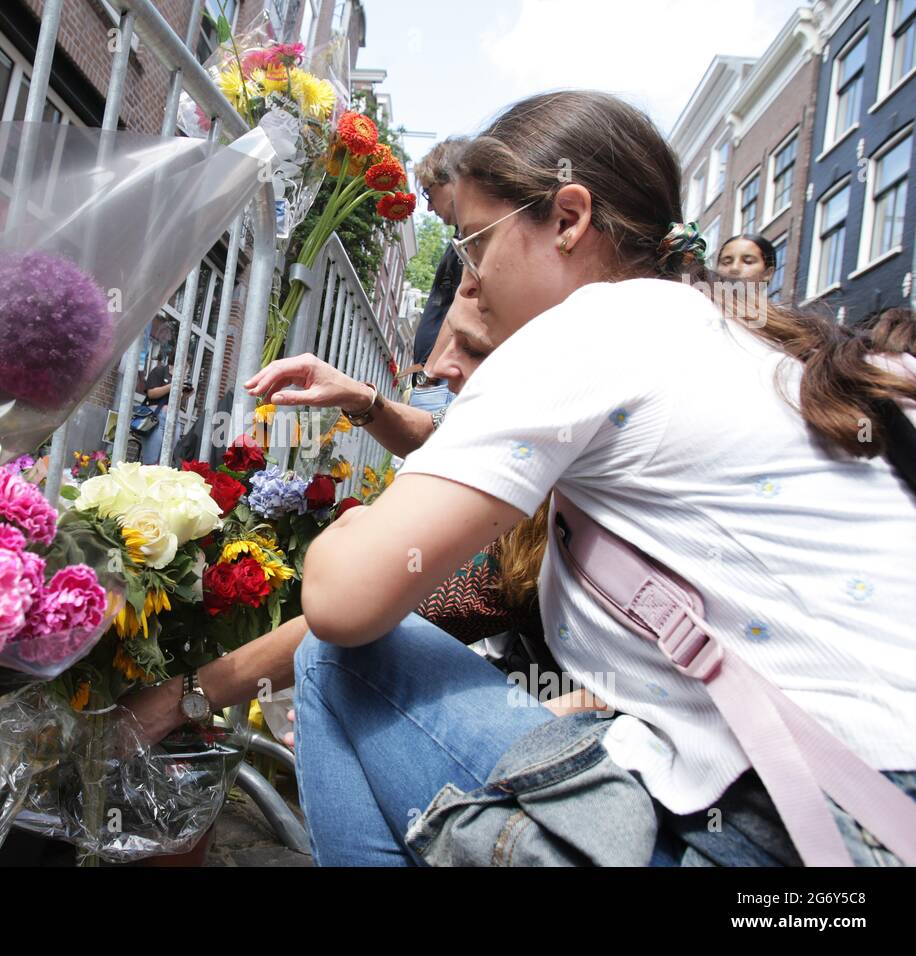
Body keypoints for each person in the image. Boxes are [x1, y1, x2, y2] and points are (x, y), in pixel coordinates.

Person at [293, 90, 916, 867]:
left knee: (333, 659)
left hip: (808, 831)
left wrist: (349, 535)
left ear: (568, 219)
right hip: (865, 812)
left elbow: (342, 603)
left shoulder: (589, 327)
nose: (470, 280)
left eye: (475, 245)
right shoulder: (740, 341)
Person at [117, 293, 553, 746]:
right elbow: (436, 435)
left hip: (574, 744)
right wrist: (363, 399)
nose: (439, 367)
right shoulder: (533, 437)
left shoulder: (522, 532)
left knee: (336, 694)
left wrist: (180, 699)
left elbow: (348, 607)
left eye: (474, 349)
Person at [405, 138, 467, 417]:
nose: (429, 208)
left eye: (429, 194)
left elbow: (463, 306)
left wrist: (428, 374)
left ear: (454, 180)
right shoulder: (463, 237)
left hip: (441, 383)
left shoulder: (473, 240)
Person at [137, 358, 192, 465]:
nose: (184, 371)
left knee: (166, 459)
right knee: (152, 459)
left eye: (186, 369)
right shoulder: (160, 371)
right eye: (184, 367)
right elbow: (151, 393)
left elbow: (176, 402)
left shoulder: (180, 379)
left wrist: (185, 394)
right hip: (156, 418)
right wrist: (172, 386)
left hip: (174, 419)